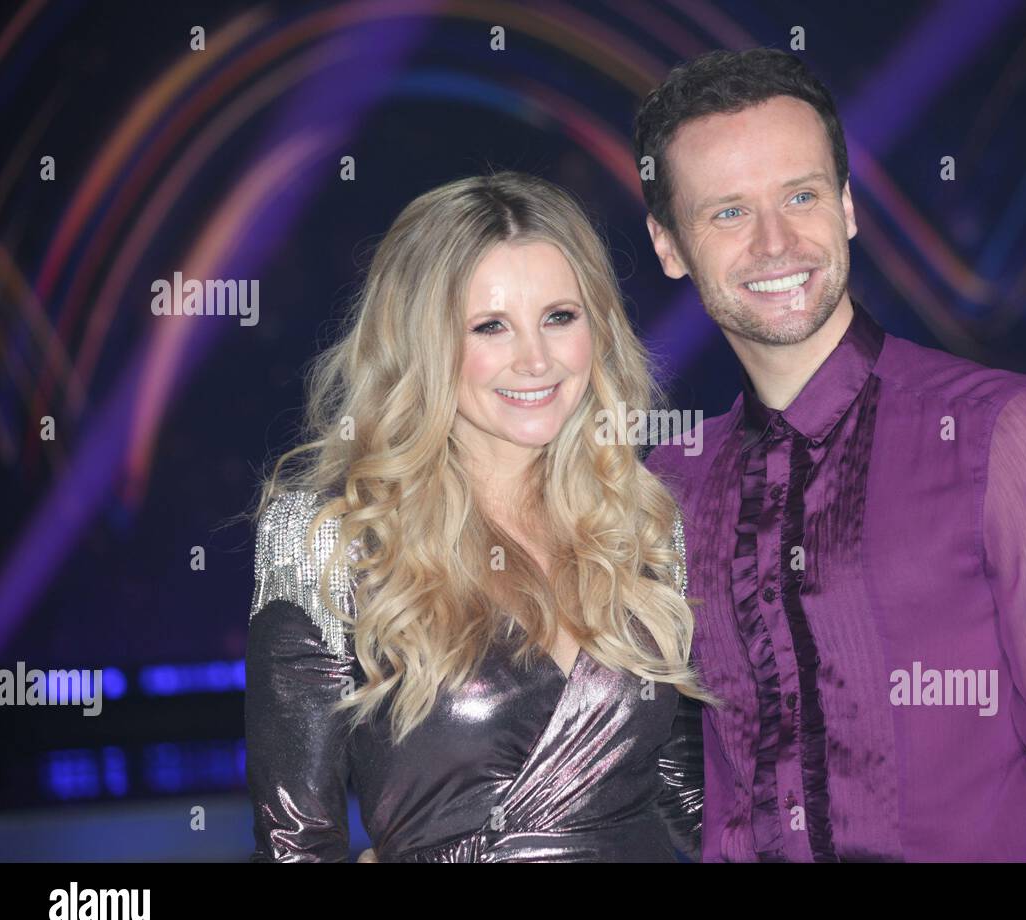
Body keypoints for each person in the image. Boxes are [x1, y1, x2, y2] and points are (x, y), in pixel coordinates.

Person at [635, 48, 1026, 861]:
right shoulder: (666, 488)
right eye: (728, 213)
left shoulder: (1008, 433)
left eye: (801, 196)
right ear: (669, 244)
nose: (776, 243)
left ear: (846, 207)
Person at [244, 171, 715, 862]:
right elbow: (294, 845)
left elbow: (688, 805)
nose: (536, 359)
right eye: (490, 326)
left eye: (561, 316)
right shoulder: (327, 539)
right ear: (423, 344)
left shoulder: (642, 526)